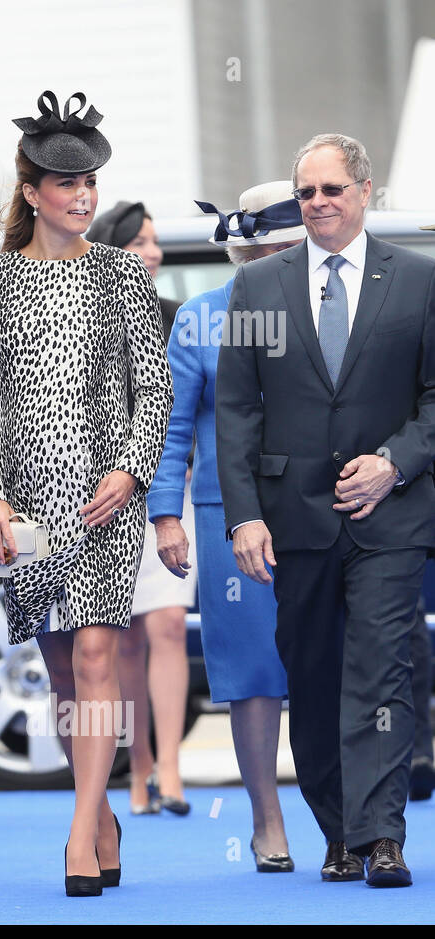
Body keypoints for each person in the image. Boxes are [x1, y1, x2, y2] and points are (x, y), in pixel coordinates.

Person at [0, 91, 172, 897]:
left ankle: (81, 831)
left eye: (91, 186)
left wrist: (132, 469)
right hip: (29, 511)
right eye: (65, 185)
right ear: (32, 193)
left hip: (106, 501)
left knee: (95, 651)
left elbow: (154, 392)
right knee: (63, 674)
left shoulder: (122, 275)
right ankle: (103, 810)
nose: (82, 198)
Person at [216, 133, 435, 888]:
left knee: (381, 670)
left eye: (331, 190)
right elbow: (238, 411)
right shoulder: (258, 288)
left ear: (364, 192)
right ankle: (338, 828)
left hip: (392, 518)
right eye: (307, 193)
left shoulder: (419, 281)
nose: (318, 204)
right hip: (293, 518)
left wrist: (395, 462)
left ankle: (381, 837)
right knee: (311, 673)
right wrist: (244, 515)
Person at [150, 181, 304, 870]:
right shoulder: (201, 318)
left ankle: (344, 811)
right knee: (249, 669)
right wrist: (164, 514)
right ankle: (266, 819)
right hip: (222, 513)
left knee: (331, 661)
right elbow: (172, 424)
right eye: (274, 245)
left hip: (321, 507)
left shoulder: (333, 311)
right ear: (253, 250)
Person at [88, 199, 194, 817]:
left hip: (168, 494)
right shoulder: (81, 314)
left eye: (155, 243)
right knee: (121, 641)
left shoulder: (176, 319)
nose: (153, 253)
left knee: (169, 624)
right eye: (141, 242)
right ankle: (139, 768)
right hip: (101, 496)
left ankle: (173, 773)